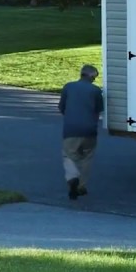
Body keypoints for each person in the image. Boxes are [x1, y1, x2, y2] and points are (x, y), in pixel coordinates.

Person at [58, 64, 104, 199]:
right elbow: (99, 109)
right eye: (95, 77)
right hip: (90, 130)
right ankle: (81, 186)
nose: (95, 80)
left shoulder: (68, 87)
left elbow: (61, 107)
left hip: (71, 130)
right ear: (91, 76)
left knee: (68, 155)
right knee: (87, 157)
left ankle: (72, 177)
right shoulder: (95, 91)